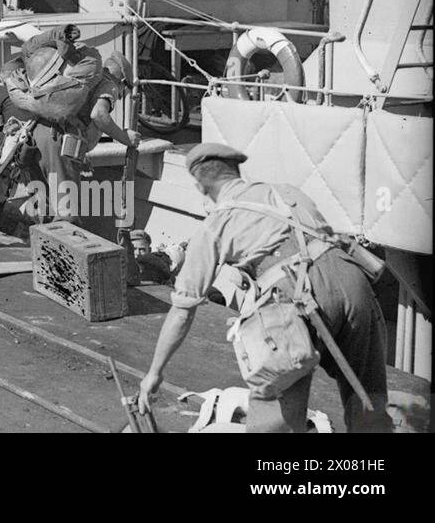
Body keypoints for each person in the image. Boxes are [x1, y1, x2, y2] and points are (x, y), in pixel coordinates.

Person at [138, 143, 391, 433]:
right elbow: (321, 242)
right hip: (352, 279)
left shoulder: (215, 226)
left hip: (295, 293)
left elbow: (182, 311)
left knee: (274, 418)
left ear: (201, 187)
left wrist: (154, 373)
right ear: (236, 172)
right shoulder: (288, 193)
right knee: (367, 395)